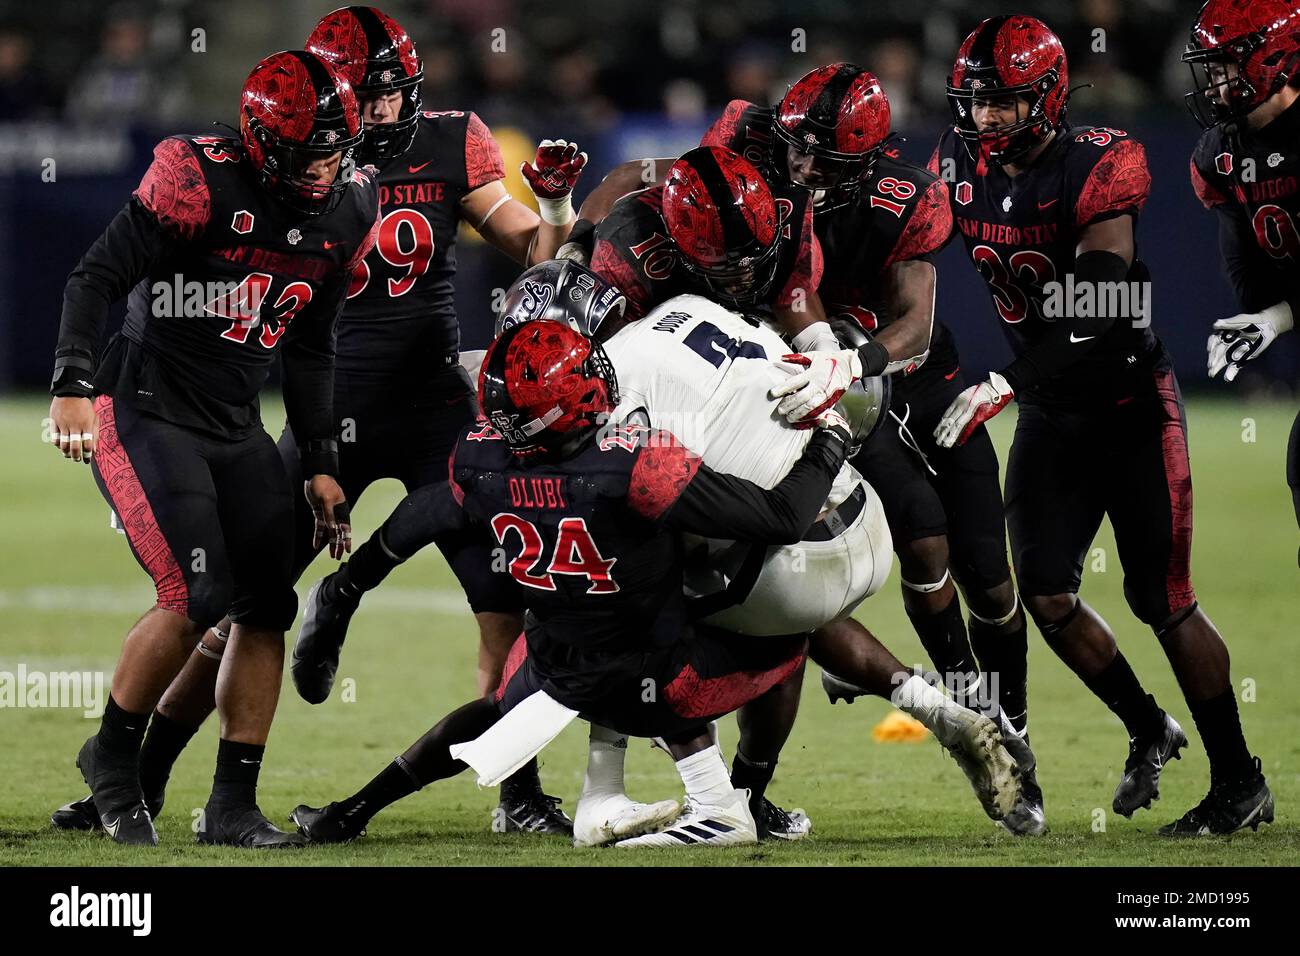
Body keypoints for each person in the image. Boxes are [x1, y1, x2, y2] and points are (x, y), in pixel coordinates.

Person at [51, 4, 590, 839]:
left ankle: (514, 789)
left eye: (390, 95)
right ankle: (135, 778)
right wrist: (81, 381)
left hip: (428, 405)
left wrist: (553, 209)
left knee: (502, 597)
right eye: (363, 98)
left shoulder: (427, 151)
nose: (379, 113)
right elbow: (118, 277)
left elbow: (535, 257)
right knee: (224, 606)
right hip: (309, 405)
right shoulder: (255, 172)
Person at [290, 318, 856, 848]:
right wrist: (832, 439)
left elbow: (426, 513)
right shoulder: (632, 466)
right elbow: (780, 517)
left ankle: (354, 809)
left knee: (497, 706)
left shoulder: (479, 461)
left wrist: (350, 584)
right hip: (658, 685)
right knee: (794, 638)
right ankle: (744, 800)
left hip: (556, 670)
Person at [931, 14, 1271, 835]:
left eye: (1004, 104)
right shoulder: (957, 164)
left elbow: (1102, 299)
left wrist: (1004, 379)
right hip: (1054, 415)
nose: (985, 120)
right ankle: (1147, 725)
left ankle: (1239, 780)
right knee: (1046, 592)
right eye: (976, 103)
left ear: (1047, 96)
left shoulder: (1101, 161)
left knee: (1166, 600)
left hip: (1127, 405)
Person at [47, 49, 378, 847]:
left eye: (338, 149)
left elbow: (312, 346)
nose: (329, 166)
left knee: (266, 603)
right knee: (192, 592)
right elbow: (93, 279)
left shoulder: (348, 207)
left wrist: (325, 463)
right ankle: (114, 764)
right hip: (148, 410)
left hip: (236, 423)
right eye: (313, 151)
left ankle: (231, 804)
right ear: (266, 142)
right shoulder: (199, 178)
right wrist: (71, 383)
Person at [700, 63, 1041, 834]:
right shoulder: (751, 150)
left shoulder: (905, 195)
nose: (806, 170)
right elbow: (653, 182)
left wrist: (849, 358)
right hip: (816, 386)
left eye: (829, 159)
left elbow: (914, 326)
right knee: (908, 540)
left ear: (872, 157)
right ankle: (963, 709)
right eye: (800, 151)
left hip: (901, 372)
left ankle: (1005, 720)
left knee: (986, 572)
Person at [1186, 0, 1300, 574]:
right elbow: (1252, 291)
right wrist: (1257, 321)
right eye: (1211, 68)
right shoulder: (1220, 156)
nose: (1216, 82)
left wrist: (1276, 319)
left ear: (1275, 59)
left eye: (1227, 66)